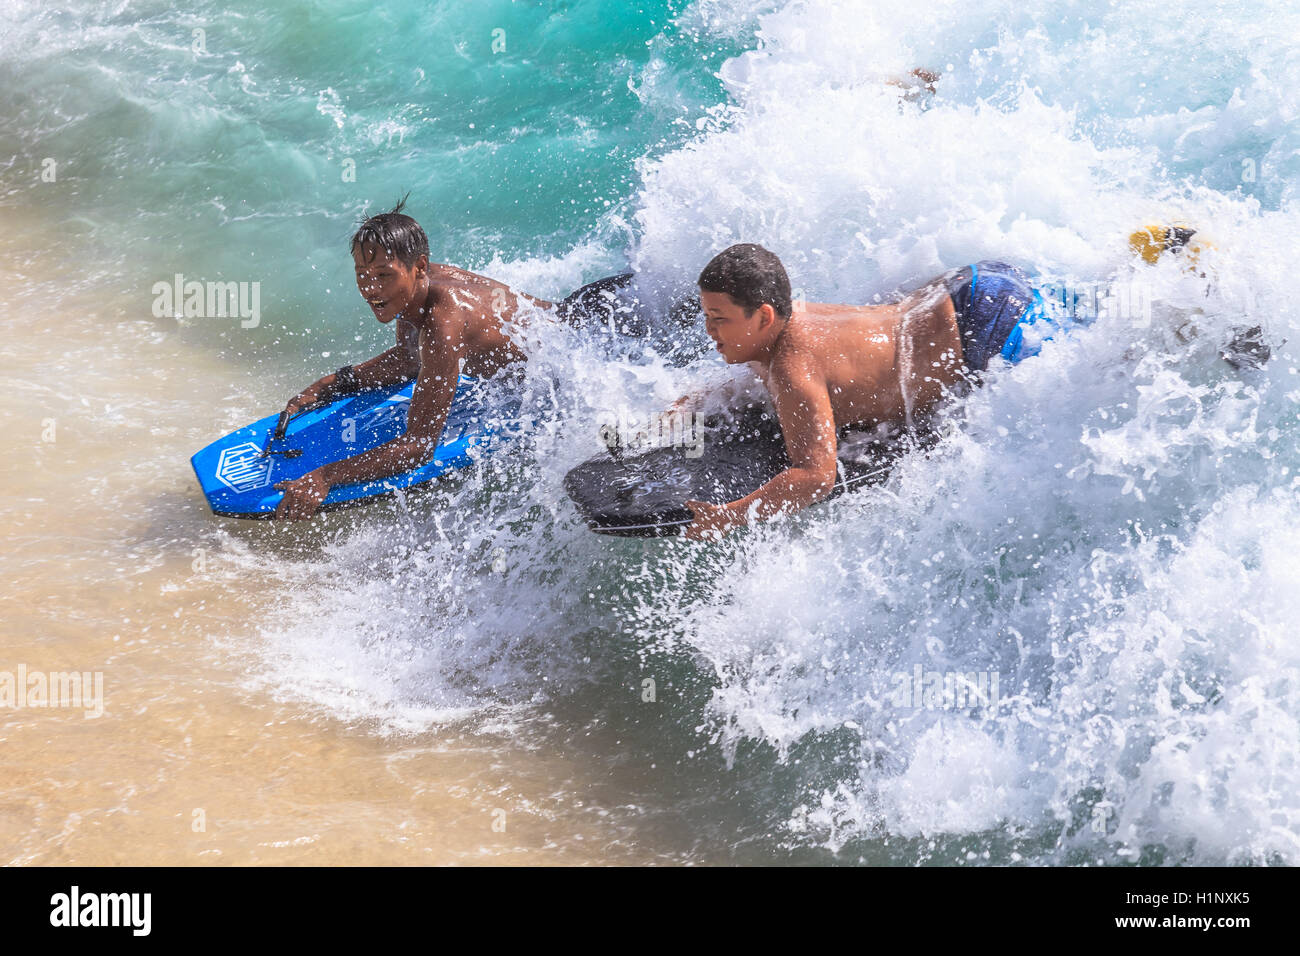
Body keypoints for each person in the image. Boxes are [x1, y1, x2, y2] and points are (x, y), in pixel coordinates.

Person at [272, 198, 631, 519]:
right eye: (362, 275)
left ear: (418, 267)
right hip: (590, 312)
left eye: (384, 275)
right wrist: (332, 383)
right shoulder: (417, 289)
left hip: (610, 339)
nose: (371, 288)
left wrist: (325, 476)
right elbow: (411, 359)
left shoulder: (444, 321)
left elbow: (418, 447)